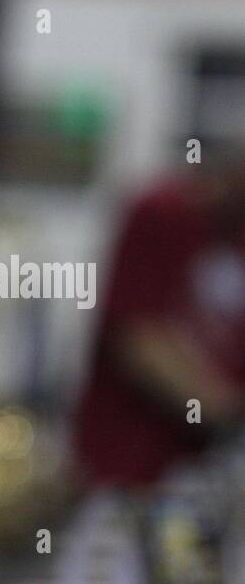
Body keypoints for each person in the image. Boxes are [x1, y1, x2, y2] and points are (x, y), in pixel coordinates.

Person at [73, 157, 245, 486]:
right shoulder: (162, 213)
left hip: (207, 472)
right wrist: (227, 417)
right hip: (128, 469)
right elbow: (138, 341)